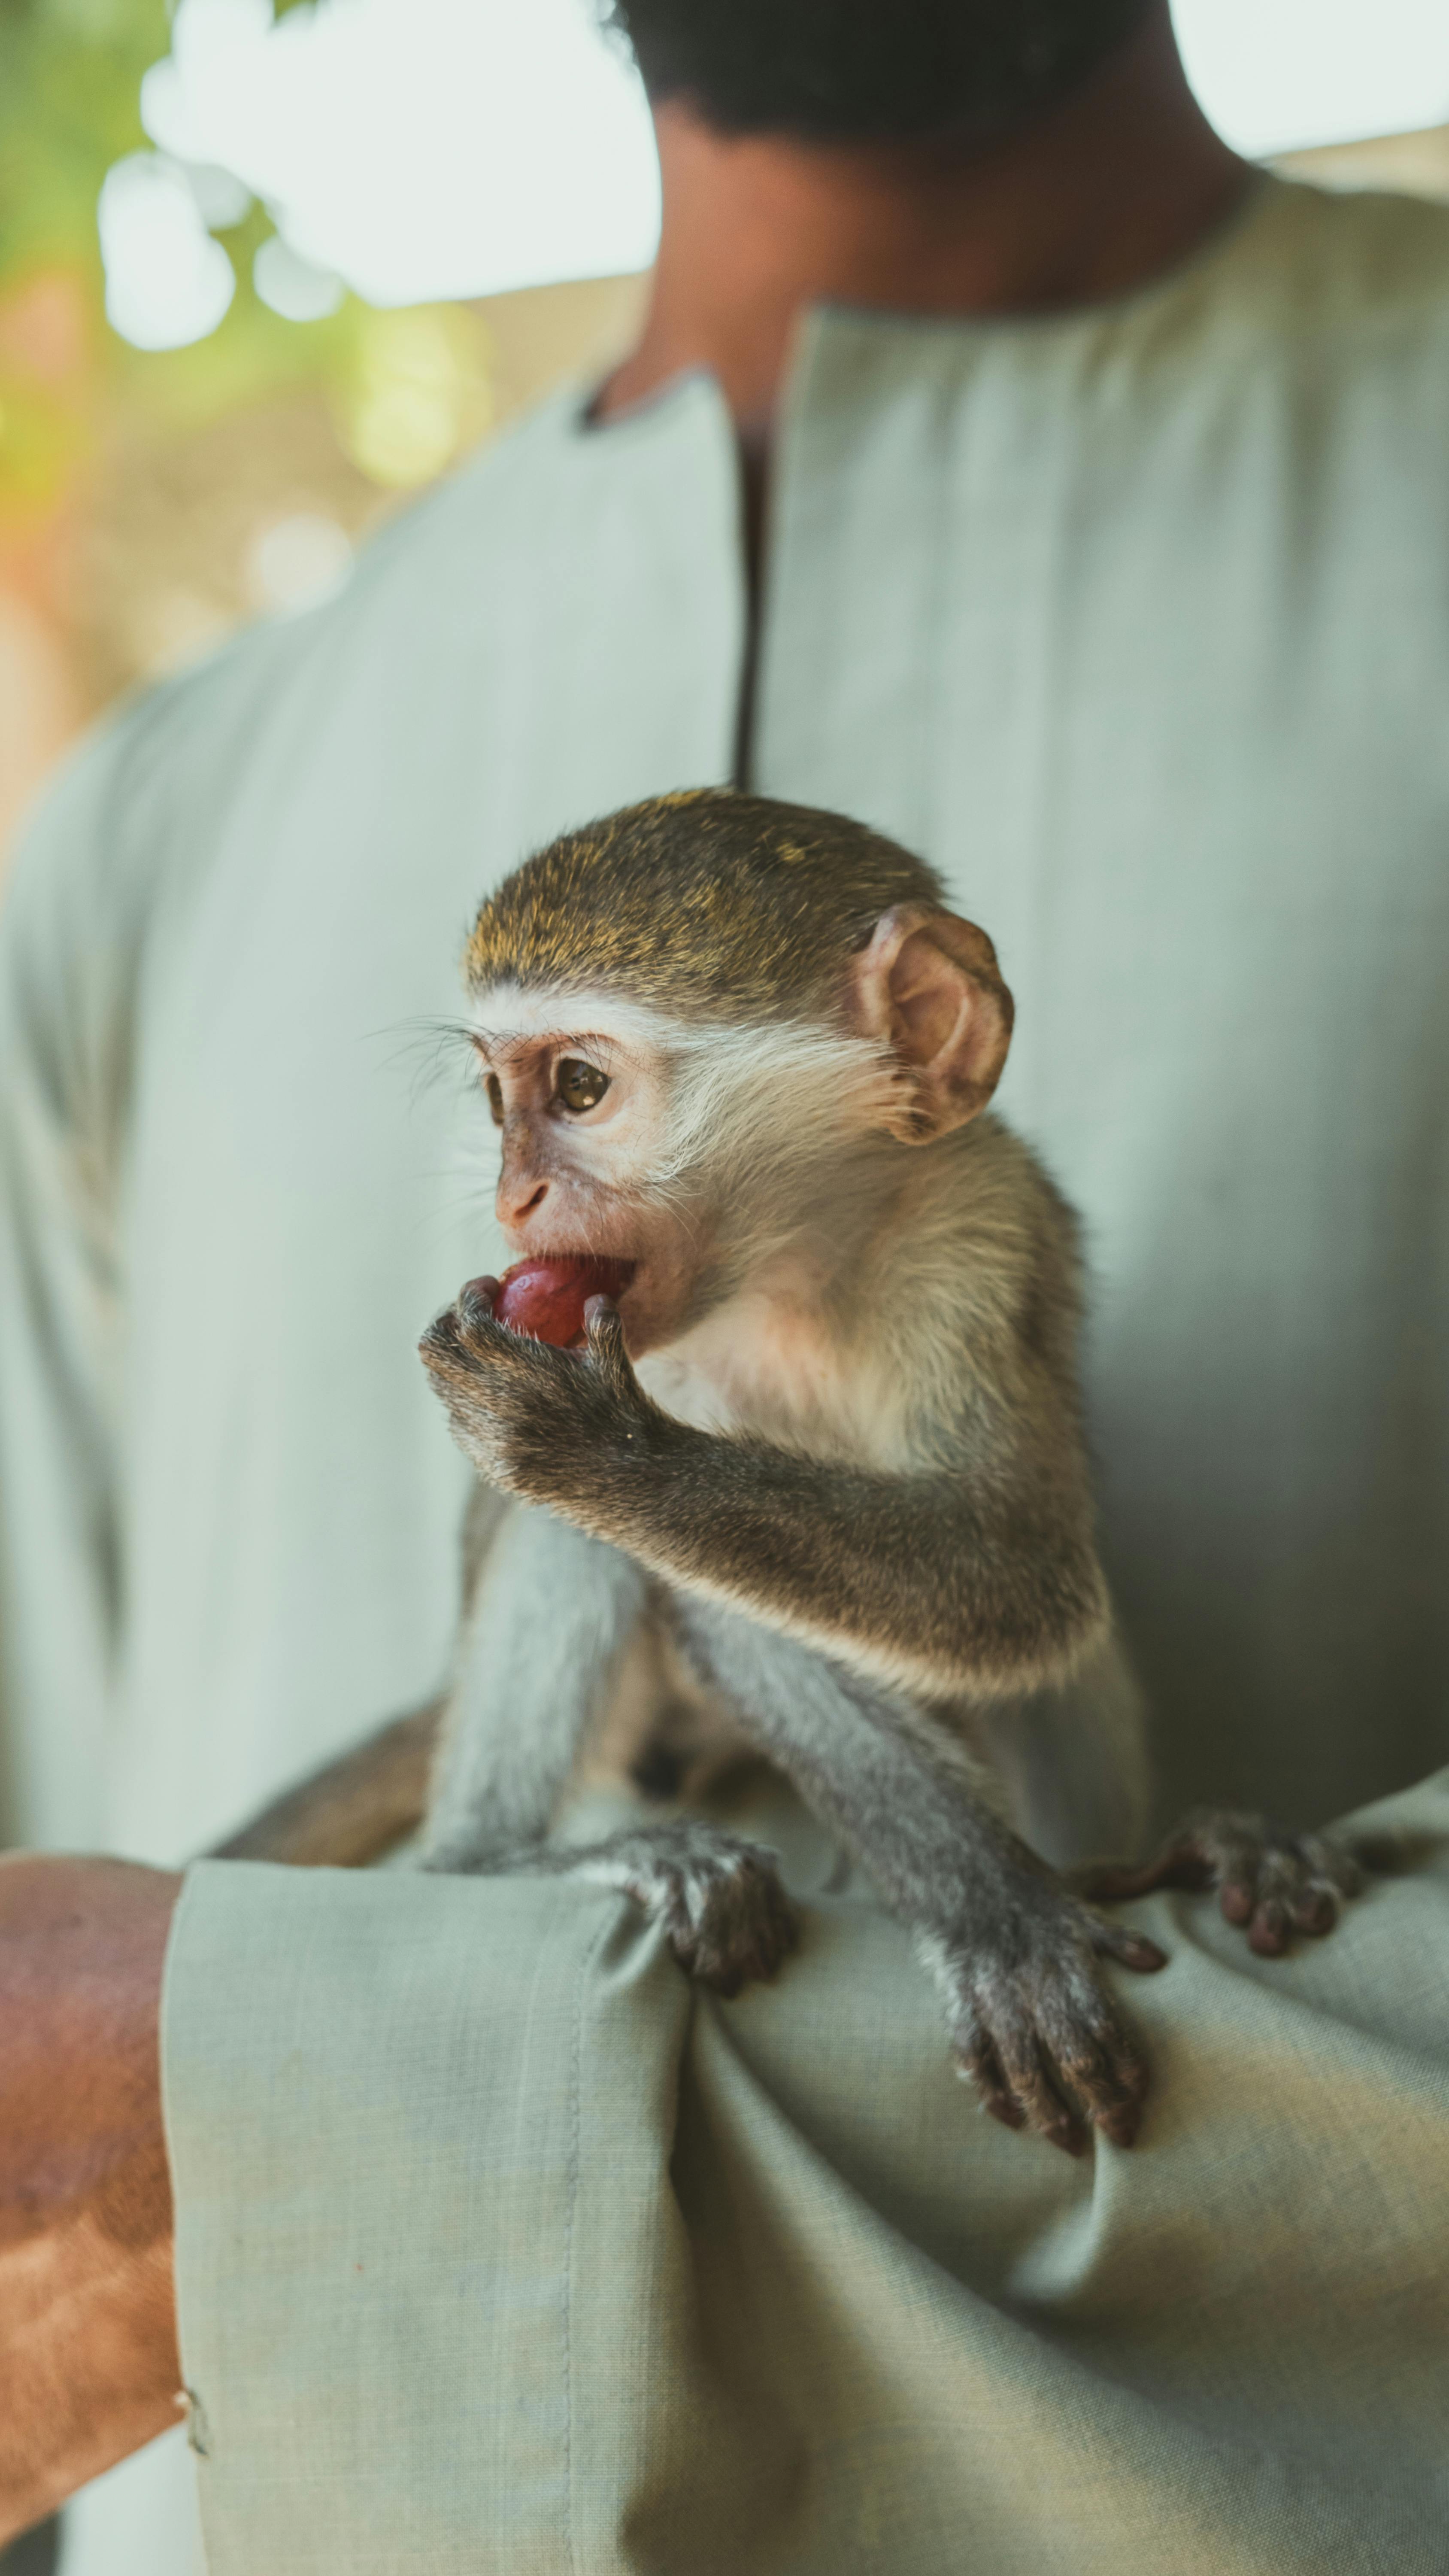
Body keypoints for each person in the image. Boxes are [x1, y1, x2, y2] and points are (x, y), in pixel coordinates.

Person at [4, 0, 1449, 2565]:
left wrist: (317, 2101)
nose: (520, 1193)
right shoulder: (150, 831)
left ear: (926, 1033)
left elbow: (186, 2071)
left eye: (576, 1101)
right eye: (501, 1101)